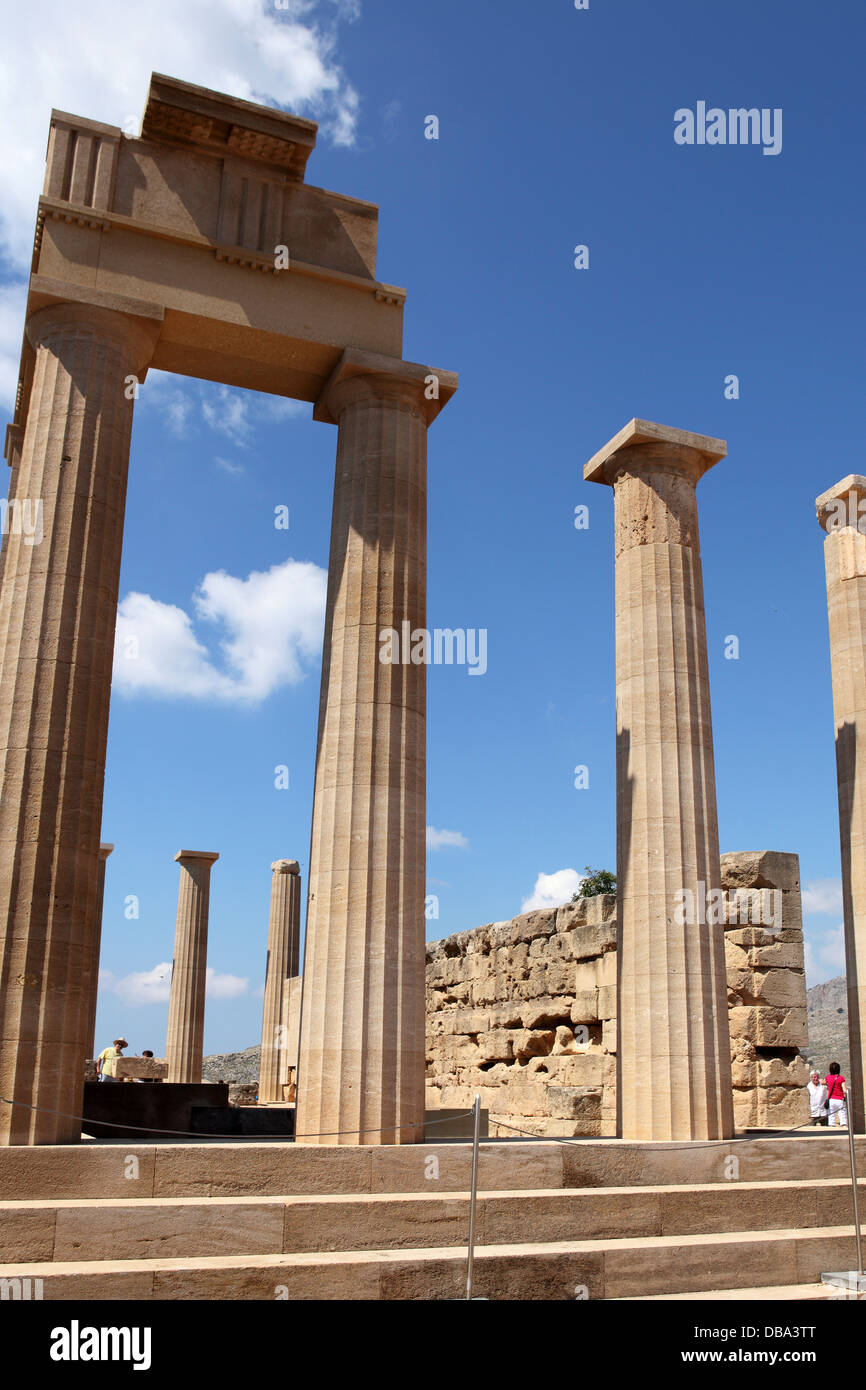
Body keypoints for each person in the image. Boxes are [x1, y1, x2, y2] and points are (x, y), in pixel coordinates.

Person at [825, 1062, 848, 1127]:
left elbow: (823, 1082)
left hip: (831, 1099)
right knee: (842, 1114)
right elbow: (844, 1089)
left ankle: (832, 1128)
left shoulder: (828, 1077)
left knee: (831, 1115)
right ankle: (843, 1127)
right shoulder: (841, 1078)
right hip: (840, 1099)